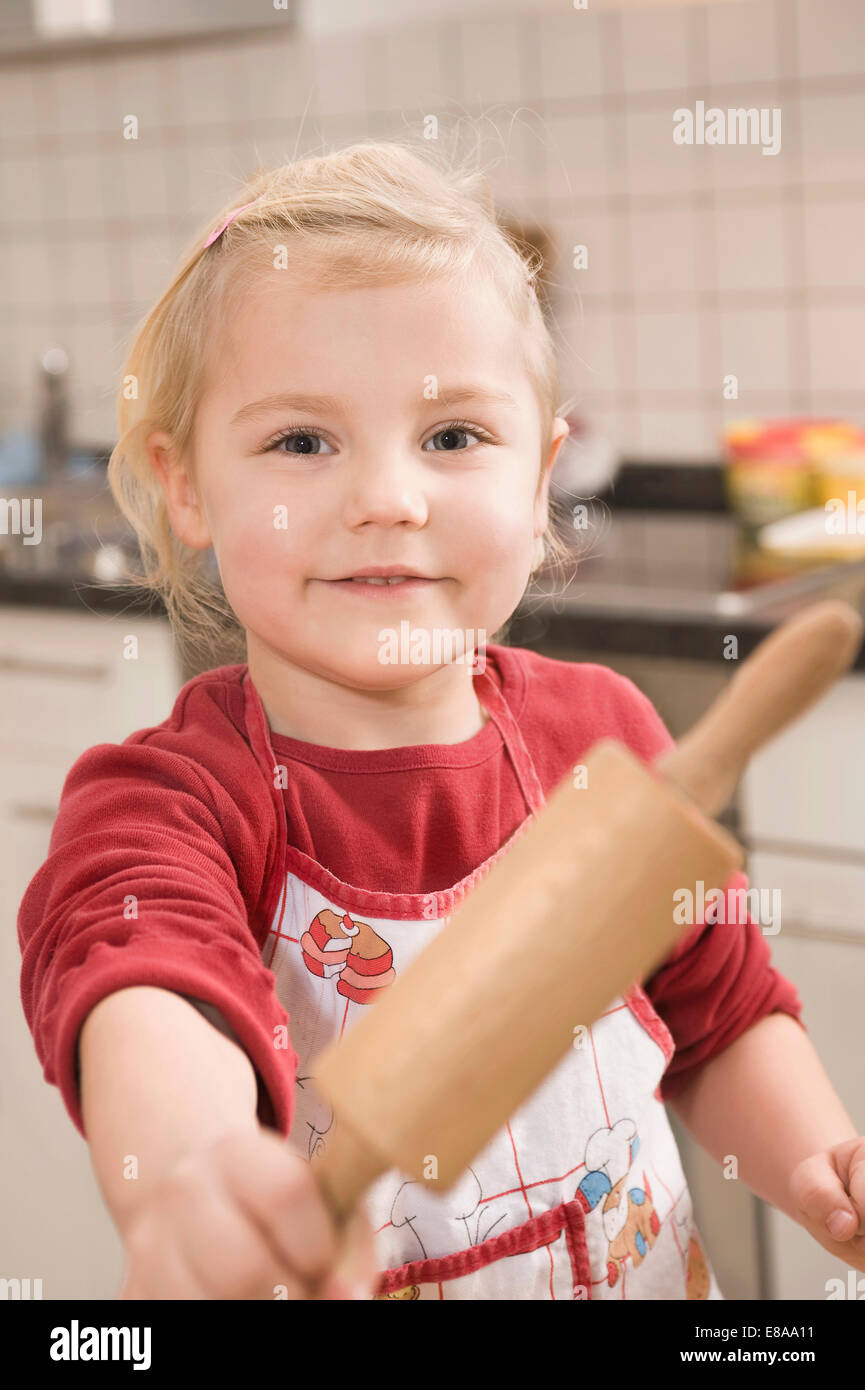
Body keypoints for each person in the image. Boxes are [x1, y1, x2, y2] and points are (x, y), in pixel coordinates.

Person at [17, 139, 863, 1301]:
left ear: (540, 473)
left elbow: (717, 1021)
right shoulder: (173, 802)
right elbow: (142, 987)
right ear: (188, 484)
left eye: (453, 437)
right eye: (301, 442)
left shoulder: (606, 745)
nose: (387, 499)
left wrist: (822, 1166)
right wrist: (189, 1169)